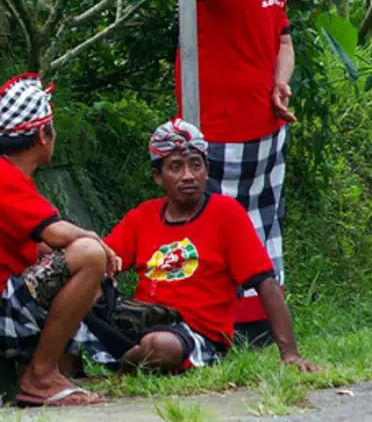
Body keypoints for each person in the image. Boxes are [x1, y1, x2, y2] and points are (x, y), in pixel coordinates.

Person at [164, 0, 295, 342]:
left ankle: (216, 323)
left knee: (213, 228)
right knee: (261, 225)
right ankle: (262, 322)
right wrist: (282, 85)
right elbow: (285, 42)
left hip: (219, 131)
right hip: (266, 126)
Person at [0, 75, 120, 408]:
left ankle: (61, 370)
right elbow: (59, 235)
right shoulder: (2, 177)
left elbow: (37, 247)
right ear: (42, 135)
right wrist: (98, 243)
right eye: (53, 128)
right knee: (89, 255)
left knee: (79, 266)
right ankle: (41, 376)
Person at [102, 119, 318, 373]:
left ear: (207, 170)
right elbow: (102, 260)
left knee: (158, 346)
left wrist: (289, 353)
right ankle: (69, 374)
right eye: (176, 167)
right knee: (79, 277)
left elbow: (265, 282)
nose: (188, 176)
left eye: (196, 165)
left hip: (196, 334)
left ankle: (122, 365)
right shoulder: (143, 216)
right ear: (158, 176)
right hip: (141, 322)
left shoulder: (225, 213)